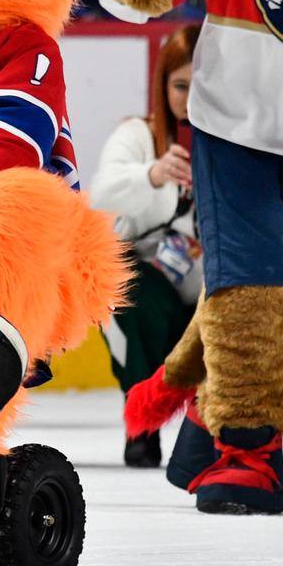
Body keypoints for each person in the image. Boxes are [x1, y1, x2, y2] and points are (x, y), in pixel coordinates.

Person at [91, 24, 201, 466]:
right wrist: (151, 175)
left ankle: (213, 431)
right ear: (162, 84)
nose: (190, 99)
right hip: (147, 278)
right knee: (129, 295)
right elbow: (99, 194)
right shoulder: (138, 135)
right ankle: (142, 422)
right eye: (180, 86)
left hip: (208, 285)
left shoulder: (239, 142)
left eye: (201, 87)